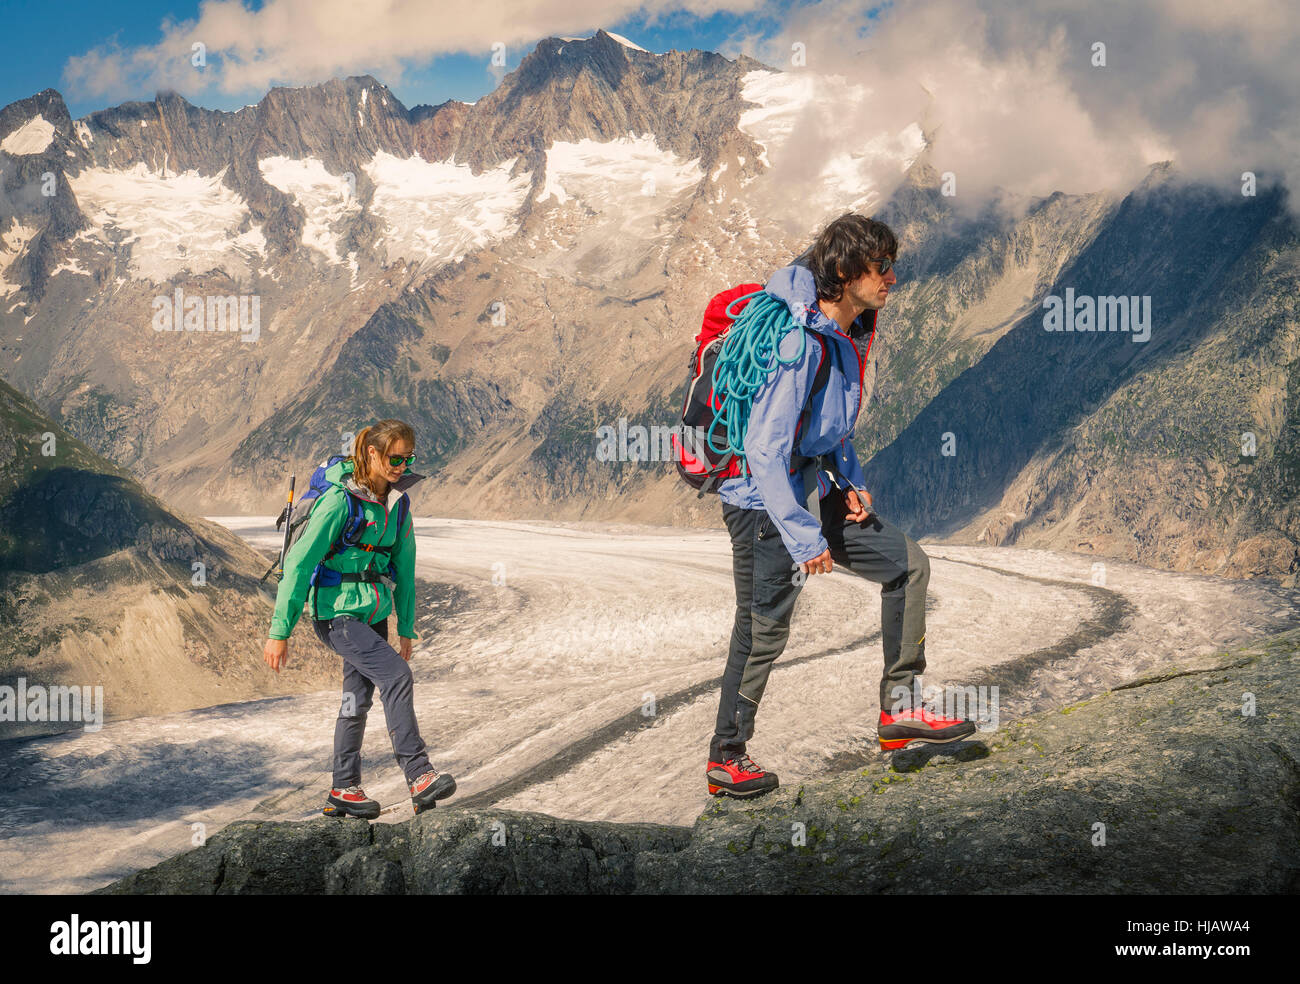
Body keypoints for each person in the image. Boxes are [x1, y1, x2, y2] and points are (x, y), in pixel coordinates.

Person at [705, 212, 975, 798]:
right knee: (761, 630)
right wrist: (804, 537)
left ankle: (899, 710)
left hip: (815, 489)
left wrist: (849, 481)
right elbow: (763, 449)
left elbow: (826, 432)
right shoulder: (799, 344)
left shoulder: (845, 333)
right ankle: (727, 757)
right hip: (763, 506)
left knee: (907, 564)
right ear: (848, 271)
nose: (891, 280)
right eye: (882, 268)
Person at [261, 419, 456, 818]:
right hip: (336, 615)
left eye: (408, 458)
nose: (402, 466)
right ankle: (419, 774)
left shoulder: (398, 505)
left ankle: (343, 789)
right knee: (397, 676)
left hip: (373, 614)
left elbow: (405, 567)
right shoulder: (340, 501)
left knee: (356, 699)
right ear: (372, 453)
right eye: (394, 458)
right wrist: (279, 631)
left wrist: (405, 627)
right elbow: (299, 564)